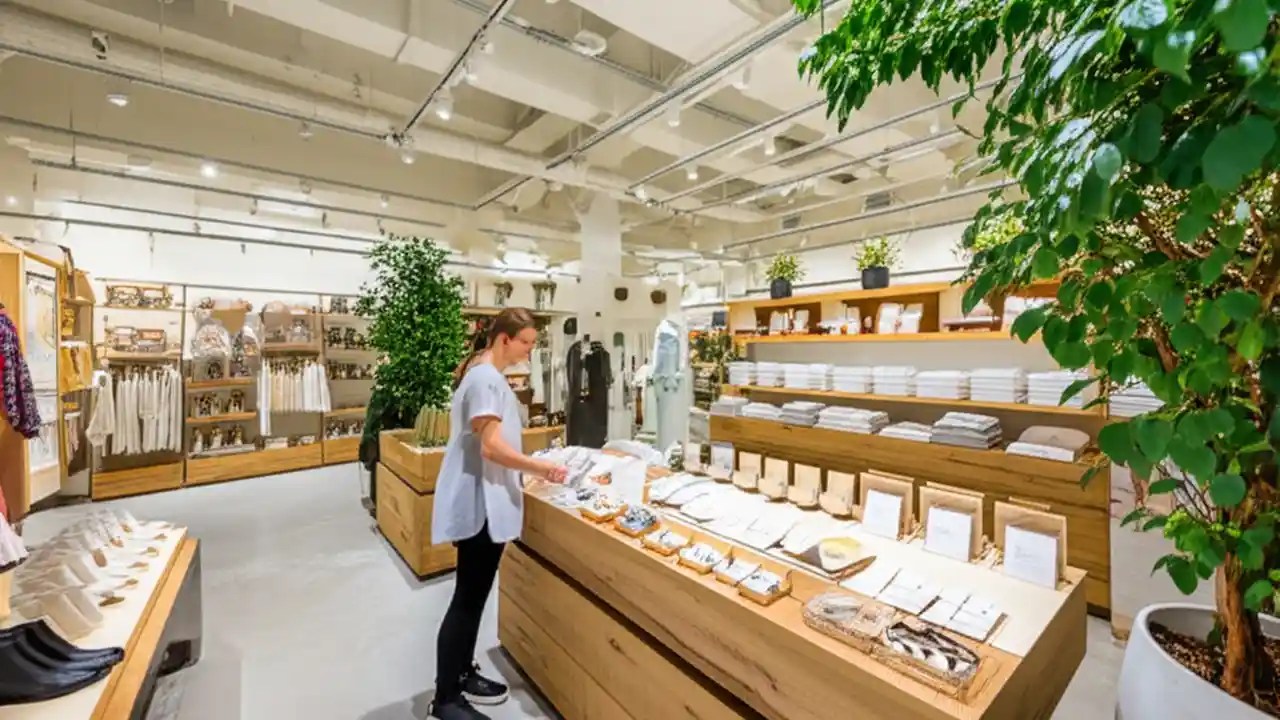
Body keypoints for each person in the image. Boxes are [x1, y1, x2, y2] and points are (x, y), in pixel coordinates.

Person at [429, 308, 568, 720]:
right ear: (504, 339)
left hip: (485, 496)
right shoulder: (487, 378)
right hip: (480, 502)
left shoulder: (483, 372)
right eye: (525, 341)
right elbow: (490, 447)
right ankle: (446, 698)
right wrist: (541, 467)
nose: (530, 349)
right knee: (468, 599)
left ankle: (462, 672)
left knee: (476, 594)